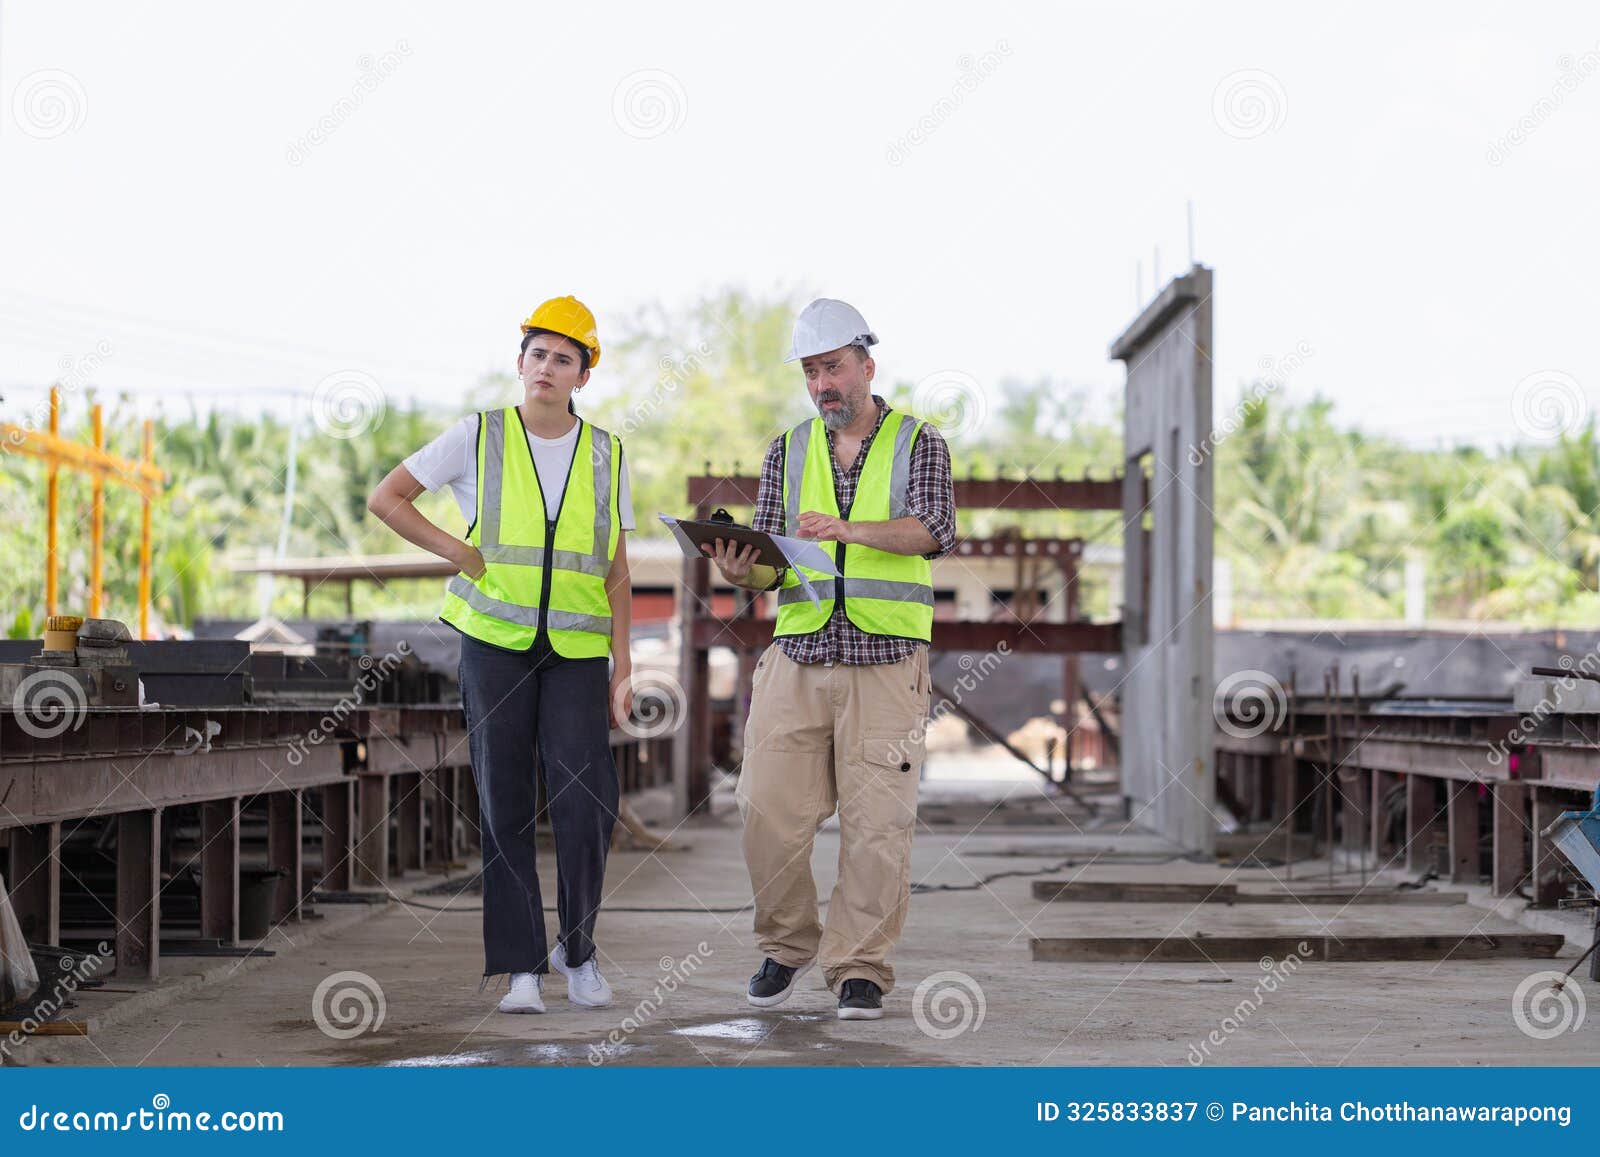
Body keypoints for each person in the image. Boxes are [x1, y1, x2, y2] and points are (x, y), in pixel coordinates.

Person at [366, 295, 634, 1015]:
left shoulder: (606, 451)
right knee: (504, 800)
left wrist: (626, 664)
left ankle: (577, 950)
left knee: (586, 804)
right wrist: (458, 550)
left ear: (583, 375)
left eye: (564, 358)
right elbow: (387, 498)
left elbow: (616, 568)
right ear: (520, 363)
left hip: (577, 652)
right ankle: (521, 968)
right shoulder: (477, 435)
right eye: (538, 354)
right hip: (494, 645)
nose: (548, 367)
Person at [705, 298, 957, 1020]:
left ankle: (860, 967)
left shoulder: (919, 442)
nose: (824, 384)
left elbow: (933, 530)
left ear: (867, 366)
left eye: (834, 367)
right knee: (763, 808)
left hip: (884, 659)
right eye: (812, 371)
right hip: (799, 653)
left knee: (877, 824)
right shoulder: (787, 449)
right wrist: (737, 567)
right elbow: (771, 566)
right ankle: (787, 944)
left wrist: (847, 527)